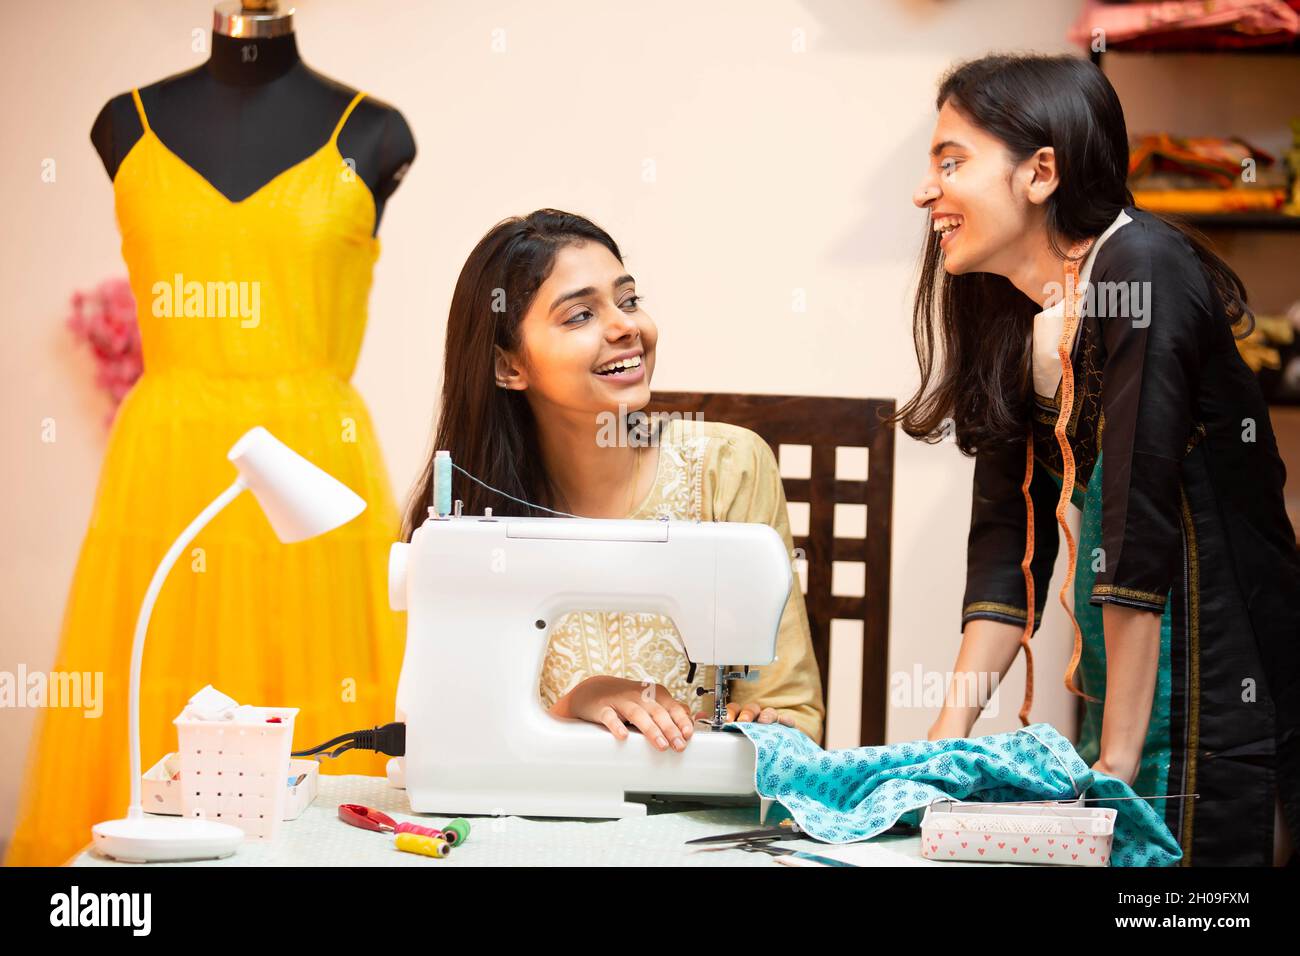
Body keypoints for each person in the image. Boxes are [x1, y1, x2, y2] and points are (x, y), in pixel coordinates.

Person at [900, 54, 1299, 866]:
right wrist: (939, 750)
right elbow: (1007, 552)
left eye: (952, 162)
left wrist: (1114, 770)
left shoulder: (1141, 268)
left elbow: (1136, 517)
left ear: (1041, 171)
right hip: (1123, 673)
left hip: (1222, 679)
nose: (925, 191)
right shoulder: (1017, 310)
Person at [403, 209, 825, 747]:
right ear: (508, 367)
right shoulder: (471, 518)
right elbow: (452, 738)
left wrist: (766, 730)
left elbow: (794, 713)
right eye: (580, 315)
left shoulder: (727, 467)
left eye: (628, 301)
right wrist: (573, 704)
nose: (627, 326)